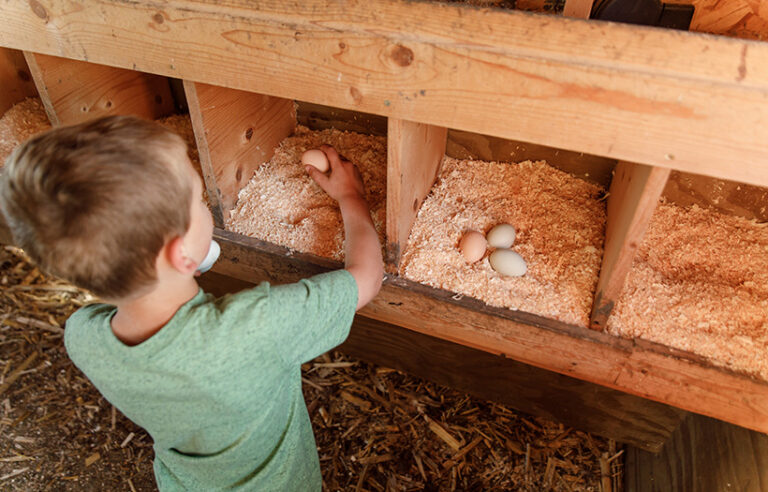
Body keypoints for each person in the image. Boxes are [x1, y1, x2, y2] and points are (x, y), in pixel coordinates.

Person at [0, 115, 383, 491]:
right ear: (179, 252)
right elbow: (365, 279)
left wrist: (176, 273)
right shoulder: (256, 327)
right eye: (198, 199)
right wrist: (351, 196)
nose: (204, 206)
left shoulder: (83, 336)